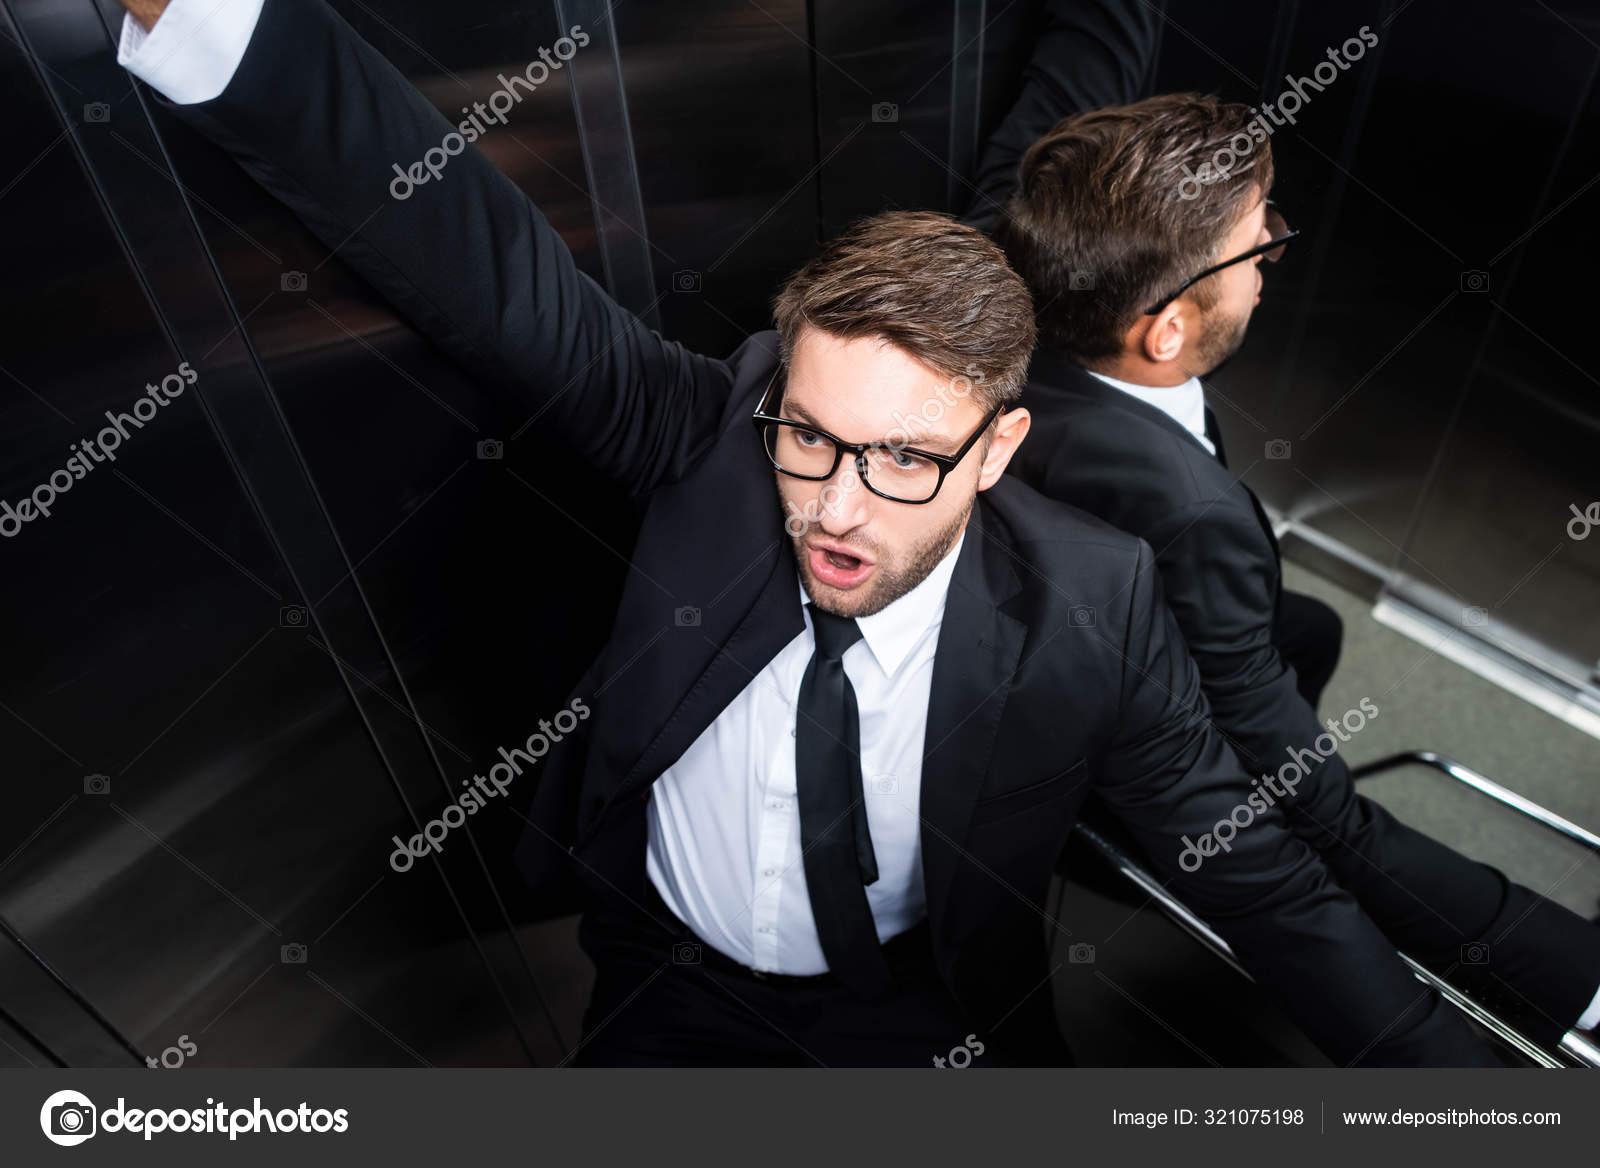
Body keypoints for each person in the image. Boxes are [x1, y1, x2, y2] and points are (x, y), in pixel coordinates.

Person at [114, 0, 1502, 1065]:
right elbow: (479, 261)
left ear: (997, 450)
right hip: (664, 979)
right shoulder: (707, 443)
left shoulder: (1096, 600)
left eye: (905, 460)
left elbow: (1259, 876)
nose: (835, 508)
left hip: (926, 1005)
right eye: (811, 438)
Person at [977, 45, 1600, 1046]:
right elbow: (1316, 813)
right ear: (1165, 332)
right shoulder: (1193, 516)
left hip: (1107, 644)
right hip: (1130, 748)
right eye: (1254, 246)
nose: (1272, 248)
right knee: (1328, 817)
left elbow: (1057, 101)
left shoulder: (1007, 282)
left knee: (1308, 628)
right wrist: (1568, 968)